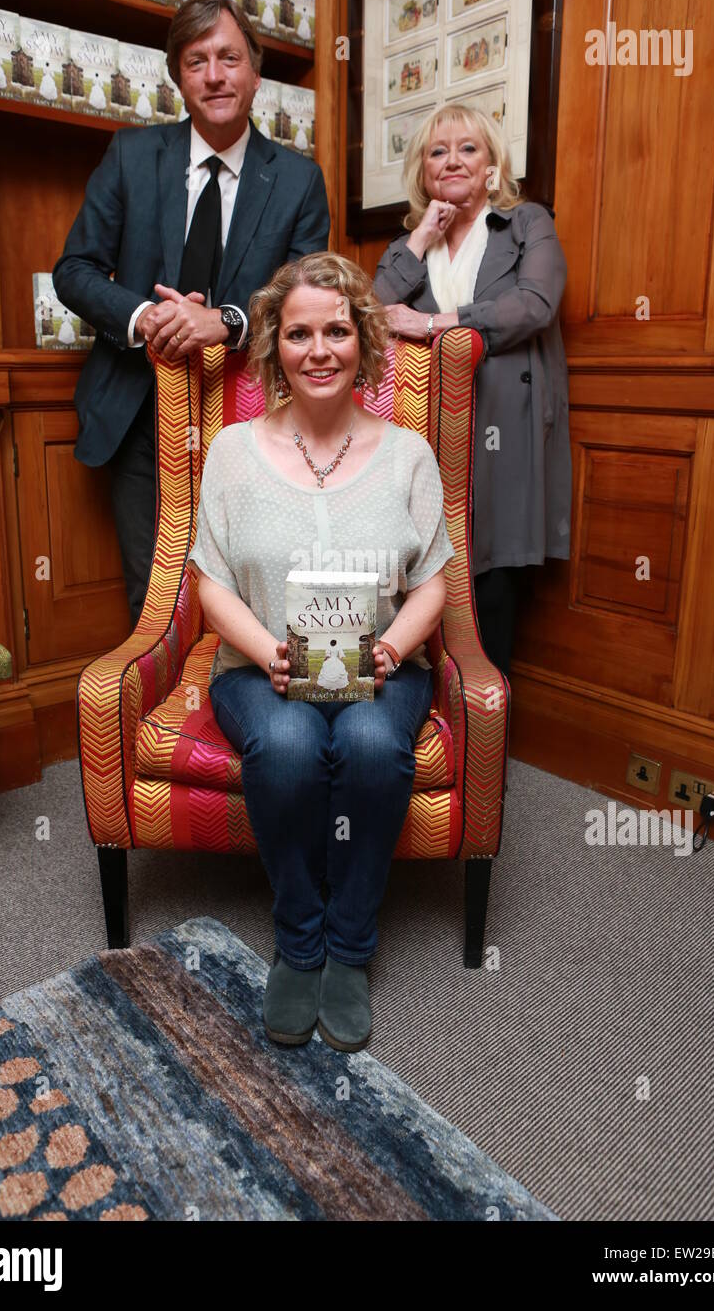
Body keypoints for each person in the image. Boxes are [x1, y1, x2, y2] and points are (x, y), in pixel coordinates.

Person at [187, 252, 455, 1052]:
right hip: (260, 668)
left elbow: (436, 582)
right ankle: (299, 942)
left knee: (372, 744)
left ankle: (350, 946)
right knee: (294, 744)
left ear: (364, 343)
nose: (319, 349)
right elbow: (209, 584)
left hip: (384, 666)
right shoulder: (232, 452)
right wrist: (269, 649)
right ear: (274, 345)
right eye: (299, 333)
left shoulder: (409, 455)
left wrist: (395, 646)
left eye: (336, 330)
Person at [53, 0, 330, 625]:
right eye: (196, 60)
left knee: (255, 602)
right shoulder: (129, 155)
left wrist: (227, 321)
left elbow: (309, 296)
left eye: (230, 58)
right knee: (154, 607)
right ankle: (160, 722)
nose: (215, 75)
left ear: (256, 74)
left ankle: (240, 717)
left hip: (255, 419)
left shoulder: (297, 180)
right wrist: (146, 319)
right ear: (178, 76)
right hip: (139, 415)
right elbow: (75, 270)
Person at [373, 102, 570, 677]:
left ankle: (482, 737)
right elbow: (369, 310)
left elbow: (534, 303)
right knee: (418, 567)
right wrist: (422, 237)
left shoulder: (528, 221)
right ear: (422, 171)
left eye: (468, 148)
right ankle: (415, 712)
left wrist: (435, 323)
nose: (452, 159)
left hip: (505, 423)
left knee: (493, 581)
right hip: (422, 429)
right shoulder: (410, 243)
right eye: (437, 151)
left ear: (491, 166)